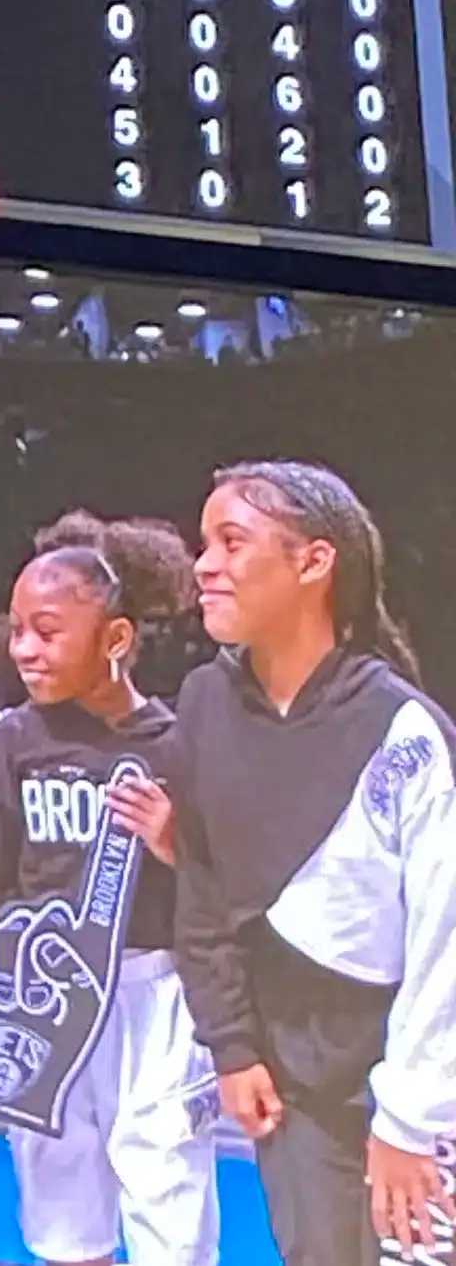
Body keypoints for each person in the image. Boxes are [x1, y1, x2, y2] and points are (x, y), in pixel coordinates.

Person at [173, 461, 456, 1265]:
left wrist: (411, 1117)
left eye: (233, 541)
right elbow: (202, 889)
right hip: (286, 1082)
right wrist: (233, 1046)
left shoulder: (402, 731)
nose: (205, 564)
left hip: (412, 1077)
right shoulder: (203, 703)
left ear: (314, 561)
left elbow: (446, 939)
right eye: (204, 543)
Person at [0, 511, 220, 1266]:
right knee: (61, 1213)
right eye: (17, 631)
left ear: (115, 639)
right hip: (41, 995)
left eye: (47, 631)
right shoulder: (13, 740)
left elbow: (228, 894)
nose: (25, 649)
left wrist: (174, 845)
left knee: (168, 1200)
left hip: (152, 993)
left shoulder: (176, 743)